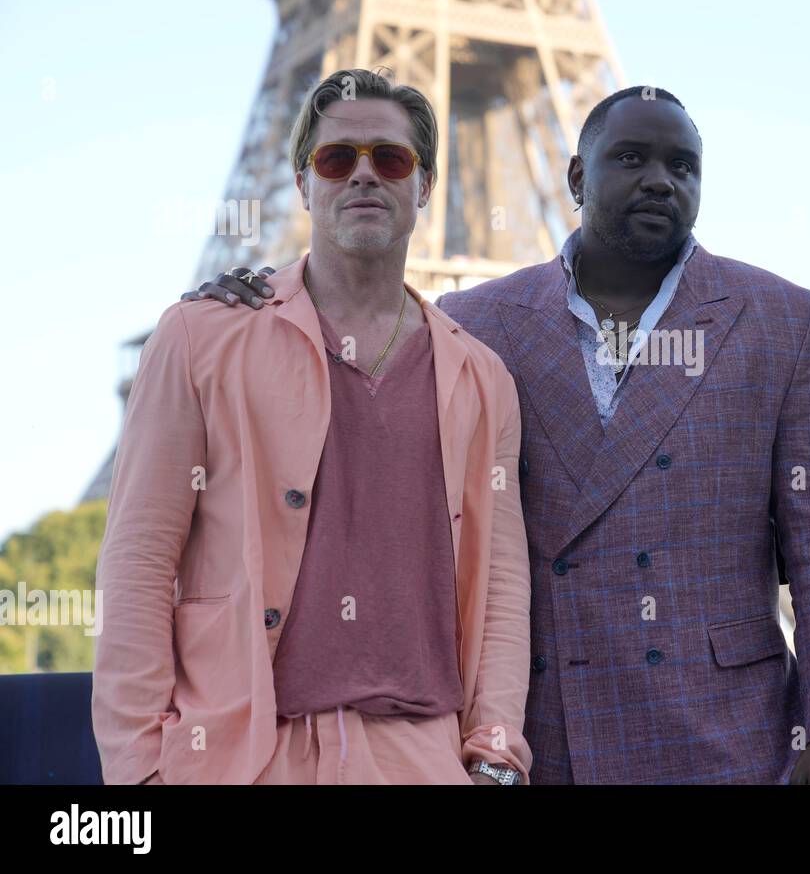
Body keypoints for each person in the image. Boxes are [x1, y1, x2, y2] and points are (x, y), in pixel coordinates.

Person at [191, 86, 810, 784]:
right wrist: (260, 299)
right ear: (577, 178)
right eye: (632, 158)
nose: (660, 180)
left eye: (683, 165)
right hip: (543, 735)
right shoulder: (471, 322)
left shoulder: (780, 317)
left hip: (735, 729)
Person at [94, 68, 532, 785]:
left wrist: (493, 757)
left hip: (421, 757)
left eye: (390, 159)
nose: (364, 175)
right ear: (302, 184)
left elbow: (503, 586)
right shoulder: (200, 339)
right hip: (244, 755)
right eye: (337, 158)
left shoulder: (482, 379)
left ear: (423, 187)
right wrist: (139, 771)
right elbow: (139, 563)